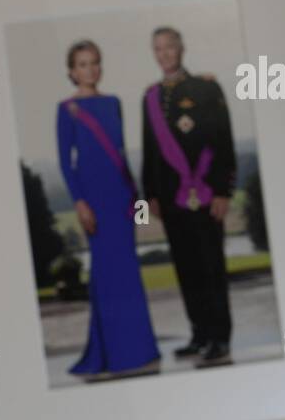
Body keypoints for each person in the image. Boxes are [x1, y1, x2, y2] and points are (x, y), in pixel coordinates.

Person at [56, 40, 160, 379]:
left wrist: (138, 202)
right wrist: (80, 202)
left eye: (95, 62)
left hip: (121, 198)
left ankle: (139, 350)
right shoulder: (67, 109)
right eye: (83, 64)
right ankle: (111, 352)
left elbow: (121, 154)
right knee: (106, 274)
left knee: (128, 273)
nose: (91, 69)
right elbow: (65, 163)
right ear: (72, 71)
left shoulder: (113, 103)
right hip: (94, 202)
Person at [140, 26, 237, 368]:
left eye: (169, 47)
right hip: (171, 198)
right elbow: (150, 151)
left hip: (208, 193)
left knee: (211, 267)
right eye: (158, 49)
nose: (165, 54)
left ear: (182, 48)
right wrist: (150, 195)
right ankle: (199, 335)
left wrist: (225, 190)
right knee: (187, 269)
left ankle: (220, 338)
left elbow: (223, 139)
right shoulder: (150, 97)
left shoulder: (206, 88)